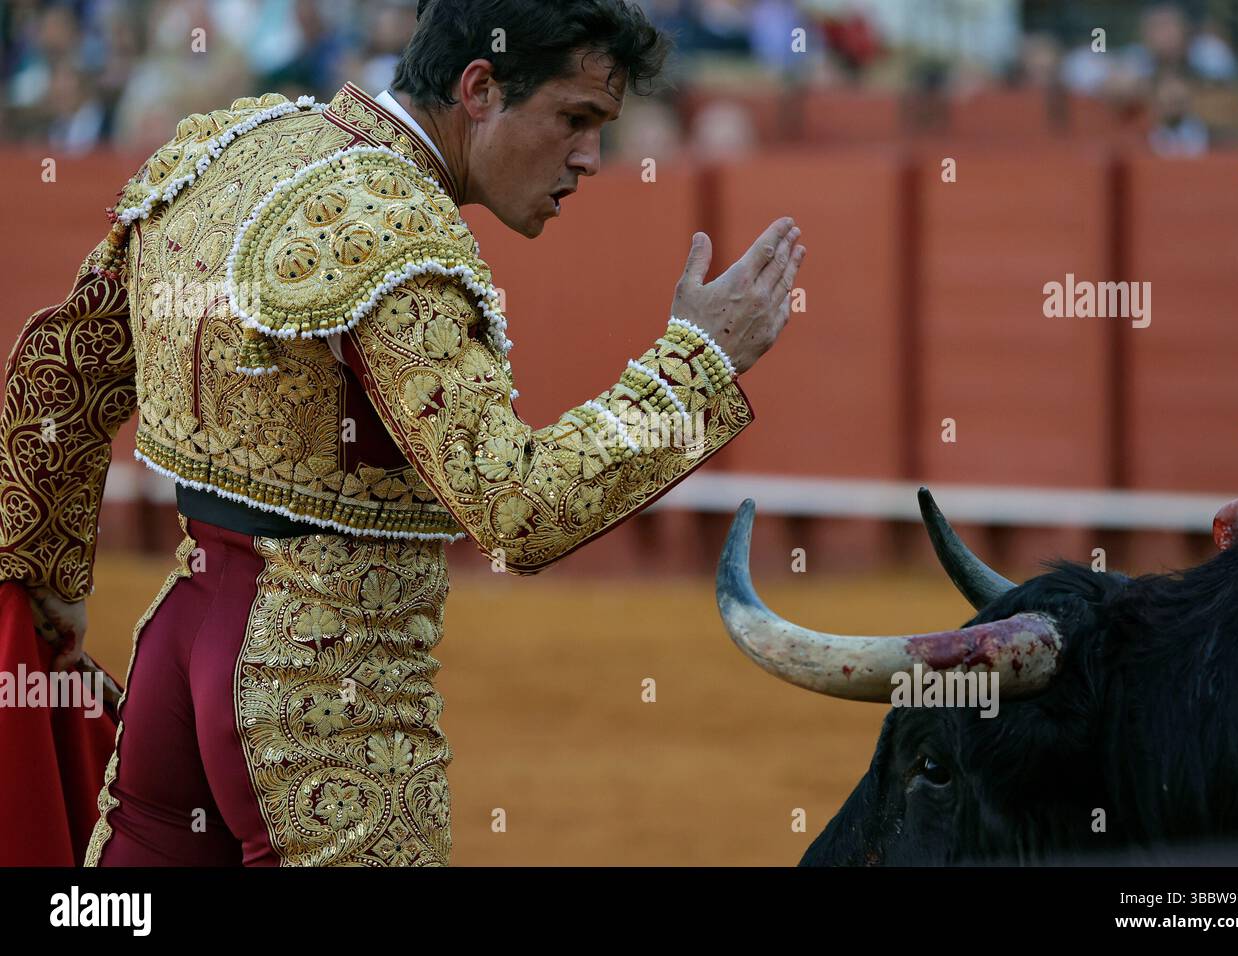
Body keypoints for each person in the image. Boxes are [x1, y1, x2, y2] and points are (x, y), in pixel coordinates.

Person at [0, 0, 804, 866]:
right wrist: (696, 366)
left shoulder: (230, 145)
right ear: (481, 87)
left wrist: (44, 574)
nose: (590, 159)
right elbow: (518, 508)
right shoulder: (388, 223)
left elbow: (71, 363)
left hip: (177, 658)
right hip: (321, 697)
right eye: (575, 119)